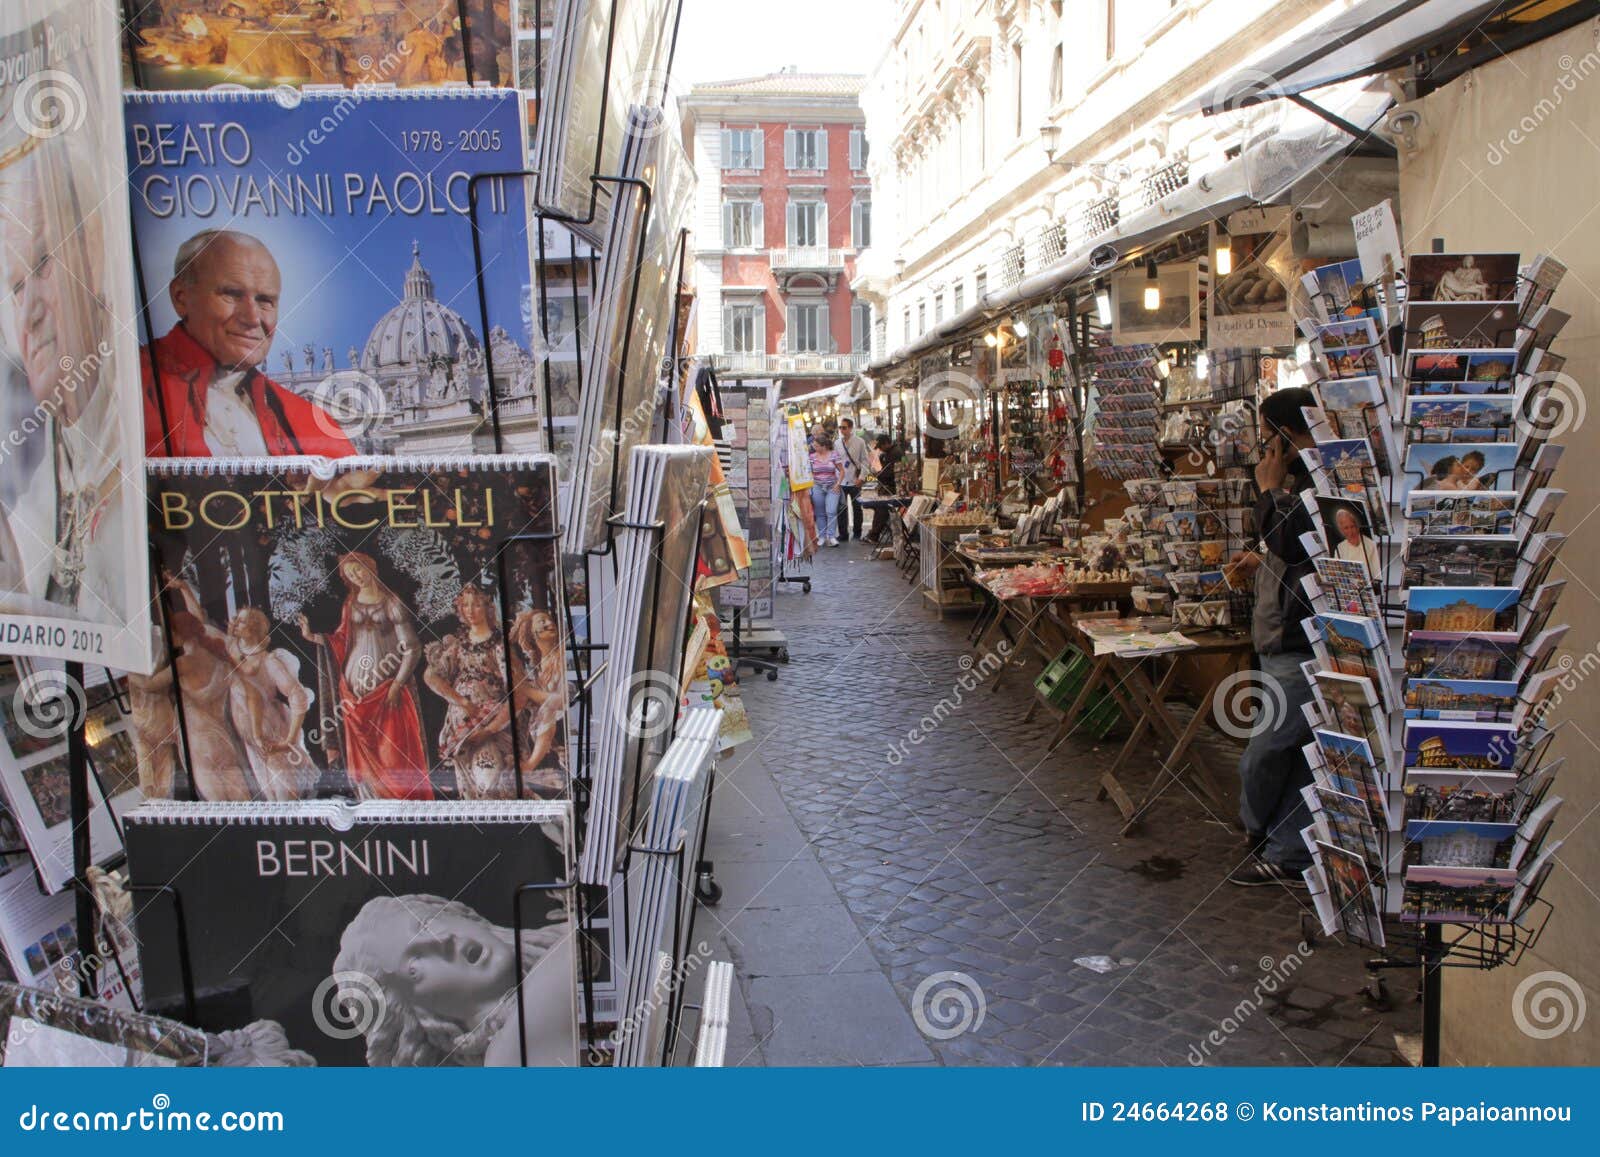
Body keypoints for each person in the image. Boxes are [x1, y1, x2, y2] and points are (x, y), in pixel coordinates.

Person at [0, 133, 131, 620]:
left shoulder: (144, 431)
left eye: (42, 264)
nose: (29, 311)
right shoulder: (36, 484)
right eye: (16, 287)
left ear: (97, 257)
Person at [140, 229, 356, 458]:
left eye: (265, 301)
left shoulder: (308, 421)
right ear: (181, 297)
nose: (252, 318)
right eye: (232, 294)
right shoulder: (126, 382)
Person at [1223, 388, 1320, 888]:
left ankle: (1260, 831)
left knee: (1266, 753)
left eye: (1268, 440)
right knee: (1291, 754)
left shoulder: (1307, 483)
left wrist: (1268, 490)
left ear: (1286, 437)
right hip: (1275, 640)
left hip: (1296, 645)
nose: (1264, 452)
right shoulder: (1299, 484)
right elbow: (1295, 553)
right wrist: (1261, 562)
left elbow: (1295, 540)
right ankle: (1283, 851)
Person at [330, 893, 575, 1067]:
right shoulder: (513, 1047)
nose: (441, 941)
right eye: (414, 968)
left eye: (425, 925)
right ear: (425, 1021)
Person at [298, 551, 432, 800]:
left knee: (392, 758)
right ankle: (371, 810)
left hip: (387, 692)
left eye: (357, 569)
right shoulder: (350, 603)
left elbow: (412, 648)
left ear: (370, 566)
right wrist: (312, 637)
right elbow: (340, 641)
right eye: (350, 574)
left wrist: (396, 685)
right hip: (353, 693)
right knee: (362, 769)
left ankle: (400, 809)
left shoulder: (392, 602)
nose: (356, 576)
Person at [423, 585, 515, 800]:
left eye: (476, 604)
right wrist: (462, 701)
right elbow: (431, 676)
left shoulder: (499, 646)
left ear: (487, 608)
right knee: (467, 786)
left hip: (489, 723)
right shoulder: (458, 646)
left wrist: (489, 729)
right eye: (465, 605)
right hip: (459, 726)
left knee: (488, 778)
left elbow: (515, 691)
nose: (470, 610)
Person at [809, 432, 846, 548]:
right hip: (817, 486)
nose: (813, 447)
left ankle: (831, 536)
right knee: (819, 513)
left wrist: (838, 484)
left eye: (816, 445)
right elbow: (808, 472)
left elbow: (842, 471)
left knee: (831, 511)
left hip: (832, 486)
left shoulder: (834, 455)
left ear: (823, 446)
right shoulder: (812, 457)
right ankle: (821, 536)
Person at [865, 434, 901, 545]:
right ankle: (874, 533)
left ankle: (874, 534)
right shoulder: (888, 453)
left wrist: (879, 474)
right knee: (879, 507)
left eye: (881, 446)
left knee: (881, 508)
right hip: (887, 485)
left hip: (892, 487)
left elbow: (891, 472)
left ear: (886, 443)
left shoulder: (895, 453)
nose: (880, 449)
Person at [837, 417, 868, 541]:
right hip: (842, 480)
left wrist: (862, 478)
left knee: (857, 508)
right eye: (840, 427)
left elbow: (865, 461)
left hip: (855, 480)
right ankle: (843, 533)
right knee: (841, 509)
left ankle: (857, 532)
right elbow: (835, 462)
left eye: (844, 427)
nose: (842, 430)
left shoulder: (860, 442)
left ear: (850, 428)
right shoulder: (837, 443)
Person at [1330, 504, 1381, 578]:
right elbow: (1336, 575)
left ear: (1357, 526)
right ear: (1341, 530)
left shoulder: (1371, 545)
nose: (1351, 532)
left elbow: (1377, 576)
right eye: (1346, 528)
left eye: (1352, 526)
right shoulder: (1340, 547)